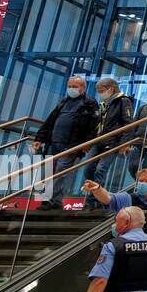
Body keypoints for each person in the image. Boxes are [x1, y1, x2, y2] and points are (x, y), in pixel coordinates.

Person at [31, 77, 99, 211]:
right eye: (70, 86)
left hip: (72, 145)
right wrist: (39, 137)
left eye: (75, 86)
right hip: (54, 143)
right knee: (48, 172)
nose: (71, 89)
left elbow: (93, 125)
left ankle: (49, 200)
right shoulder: (63, 102)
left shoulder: (89, 103)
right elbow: (50, 120)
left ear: (83, 88)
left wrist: (87, 143)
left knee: (60, 172)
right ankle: (55, 201)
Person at [83, 78, 135, 211]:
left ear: (111, 89)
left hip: (113, 142)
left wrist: (124, 143)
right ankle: (95, 196)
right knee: (88, 167)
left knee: (101, 169)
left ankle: (94, 200)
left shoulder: (123, 101)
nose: (100, 93)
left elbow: (128, 123)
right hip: (99, 140)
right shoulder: (104, 104)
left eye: (101, 90)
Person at [80, 168, 147, 242]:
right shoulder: (126, 198)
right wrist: (98, 189)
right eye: (141, 180)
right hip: (124, 250)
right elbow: (107, 198)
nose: (143, 183)